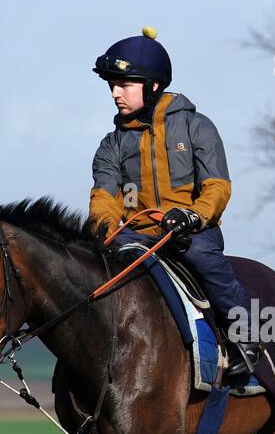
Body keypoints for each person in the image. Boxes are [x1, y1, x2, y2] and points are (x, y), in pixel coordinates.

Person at [87, 26, 260, 377]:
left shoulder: (198, 128)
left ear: (152, 86)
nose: (115, 94)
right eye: (112, 86)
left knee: (203, 258)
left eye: (124, 85)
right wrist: (103, 227)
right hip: (136, 235)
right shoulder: (111, 145)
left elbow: (217, 187)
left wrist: (193, 217)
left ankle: (247, 339)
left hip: (192, 232)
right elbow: (105, 197)